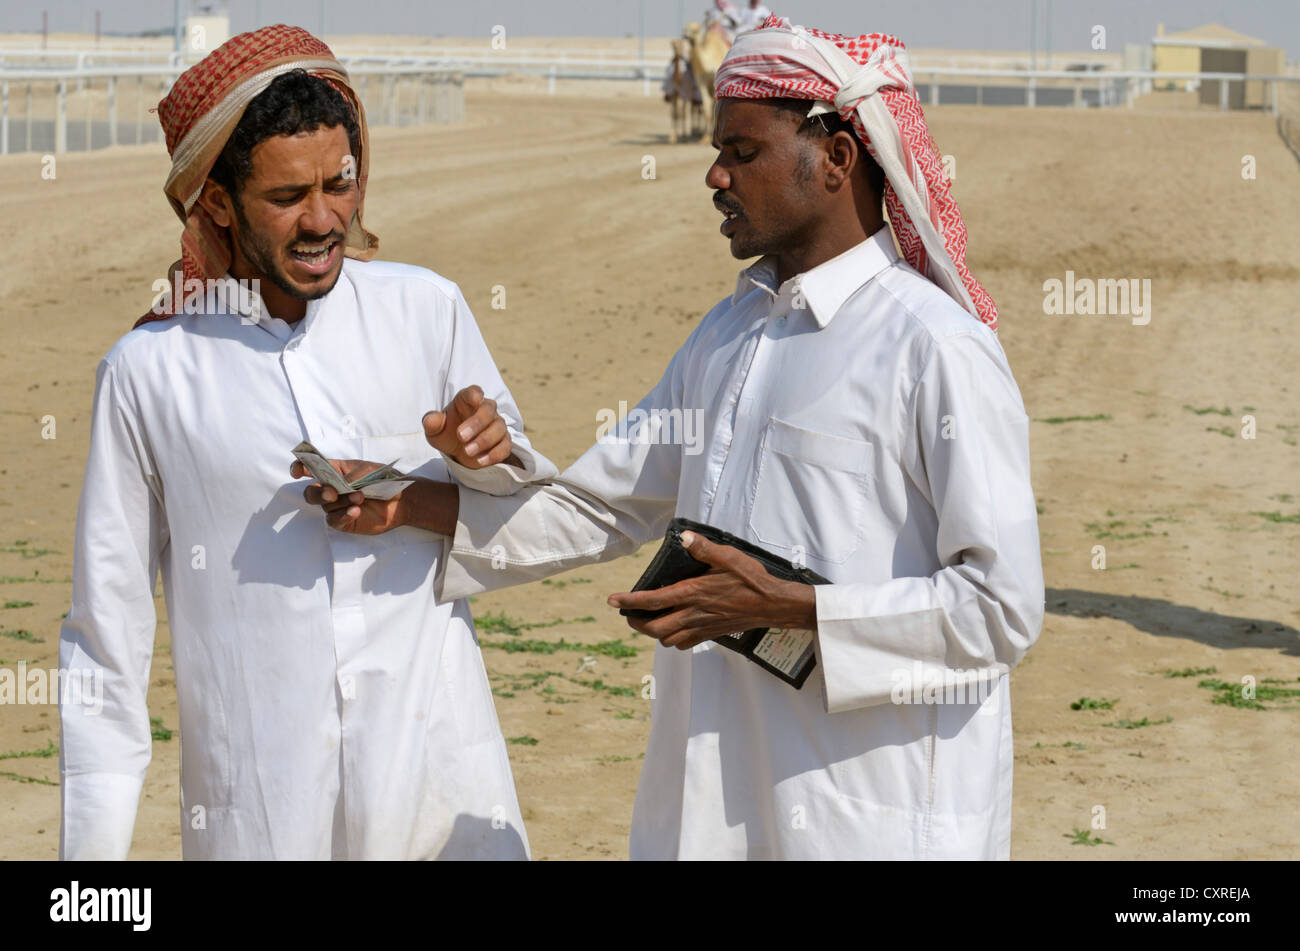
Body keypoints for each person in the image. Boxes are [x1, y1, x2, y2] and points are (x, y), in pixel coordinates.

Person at [306, 17, 1044, 859]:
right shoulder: (727, 335)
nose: (714, 174)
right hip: (713, 805)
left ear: (836, 158)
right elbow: (601, 504)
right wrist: (409, 500)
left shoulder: (935, 348)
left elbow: (1002, 608)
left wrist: (797, 611)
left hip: (869, 812)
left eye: (742, 151)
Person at [58, 25, 554, 860]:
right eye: (289, 196)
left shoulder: (425, 310)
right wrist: (91, 866)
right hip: (262, 809)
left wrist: (492, 461)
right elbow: (106, 640)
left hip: (438, 786)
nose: (325, 219)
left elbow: (536, 523)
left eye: (341, 184)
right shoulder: (149, 372)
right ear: (216, 201)